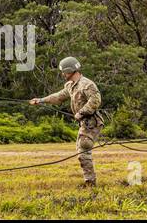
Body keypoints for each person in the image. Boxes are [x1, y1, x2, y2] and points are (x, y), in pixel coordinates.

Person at [31, 56, 102, 188]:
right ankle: (90, 181)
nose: (63, 74)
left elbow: (95, 101)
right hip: (84, 122)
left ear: (70, 71)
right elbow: (58, 97)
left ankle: (90, 183)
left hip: (91, 122)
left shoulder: (87, 84)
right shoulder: (70, 85)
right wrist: (40, 100)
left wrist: (81, 113)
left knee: (83, 150)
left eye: (64, 71)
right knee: (81, 150)